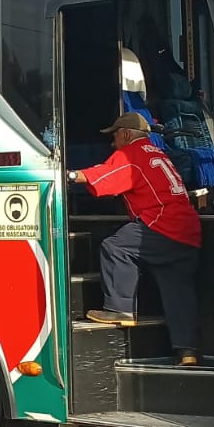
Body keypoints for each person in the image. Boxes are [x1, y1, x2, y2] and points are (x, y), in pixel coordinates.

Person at [66, 112, 203, 366]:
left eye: (114, 137)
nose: (112, 144)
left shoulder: (132, 153)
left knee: (115, 246)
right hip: (188, 228)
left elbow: (107, 177)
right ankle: (188, 352)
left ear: (126, 134)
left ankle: (121, 308)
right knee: (177, 289)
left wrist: (69, 176)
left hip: (161, 223)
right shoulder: (157, 154)